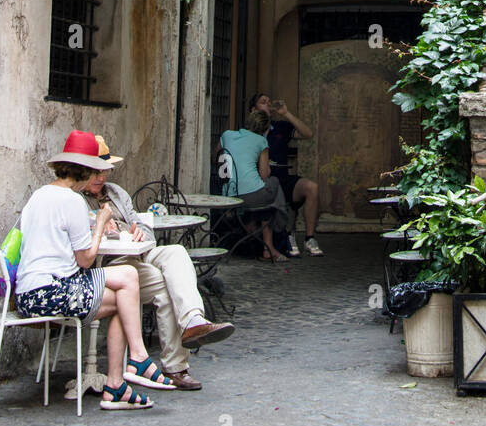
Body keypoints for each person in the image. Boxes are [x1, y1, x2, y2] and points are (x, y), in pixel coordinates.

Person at [15, 129, 174, 411]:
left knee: (128, 277)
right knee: (126, 295)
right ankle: (129, 368)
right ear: (86, 171)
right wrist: (100, 223)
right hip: (52, 292)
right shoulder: (73, 201)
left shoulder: (38, 196)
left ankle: (121, 379)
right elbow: (86, 259)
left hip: (29, 291)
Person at [80, 135, 234, 392]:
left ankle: (194, 321)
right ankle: (175, 367)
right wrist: (104, 228)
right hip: (108, 265)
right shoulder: (76, 200)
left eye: (104, 171)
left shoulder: (116, 193)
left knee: (175, 252)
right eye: (94, 172)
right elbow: (81, 242)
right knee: (164, 285)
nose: (100, 177)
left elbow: (143, 228)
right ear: (82, 171)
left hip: (137, 255)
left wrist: (139, 231)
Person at [249, 93, 323, 257]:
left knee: (312, 188)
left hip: (282, 178)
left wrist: (286, 113)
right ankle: (284, 236)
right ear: (253, 110)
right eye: (263, 102)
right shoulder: (248, 133)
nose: (268, 104)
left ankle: (309, 238)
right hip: (260, 181)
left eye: (269, 102)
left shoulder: (280, 126)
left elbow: (308, 134)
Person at [218, 110, 289, 262]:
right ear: (265, 130)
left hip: (228, 193)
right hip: (252, 195)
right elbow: (264, 173)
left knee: (265, 197)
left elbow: (216, 156)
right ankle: (276, 235)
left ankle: (252, 231)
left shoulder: (227, 135)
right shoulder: (261, 141)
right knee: (273, 183)